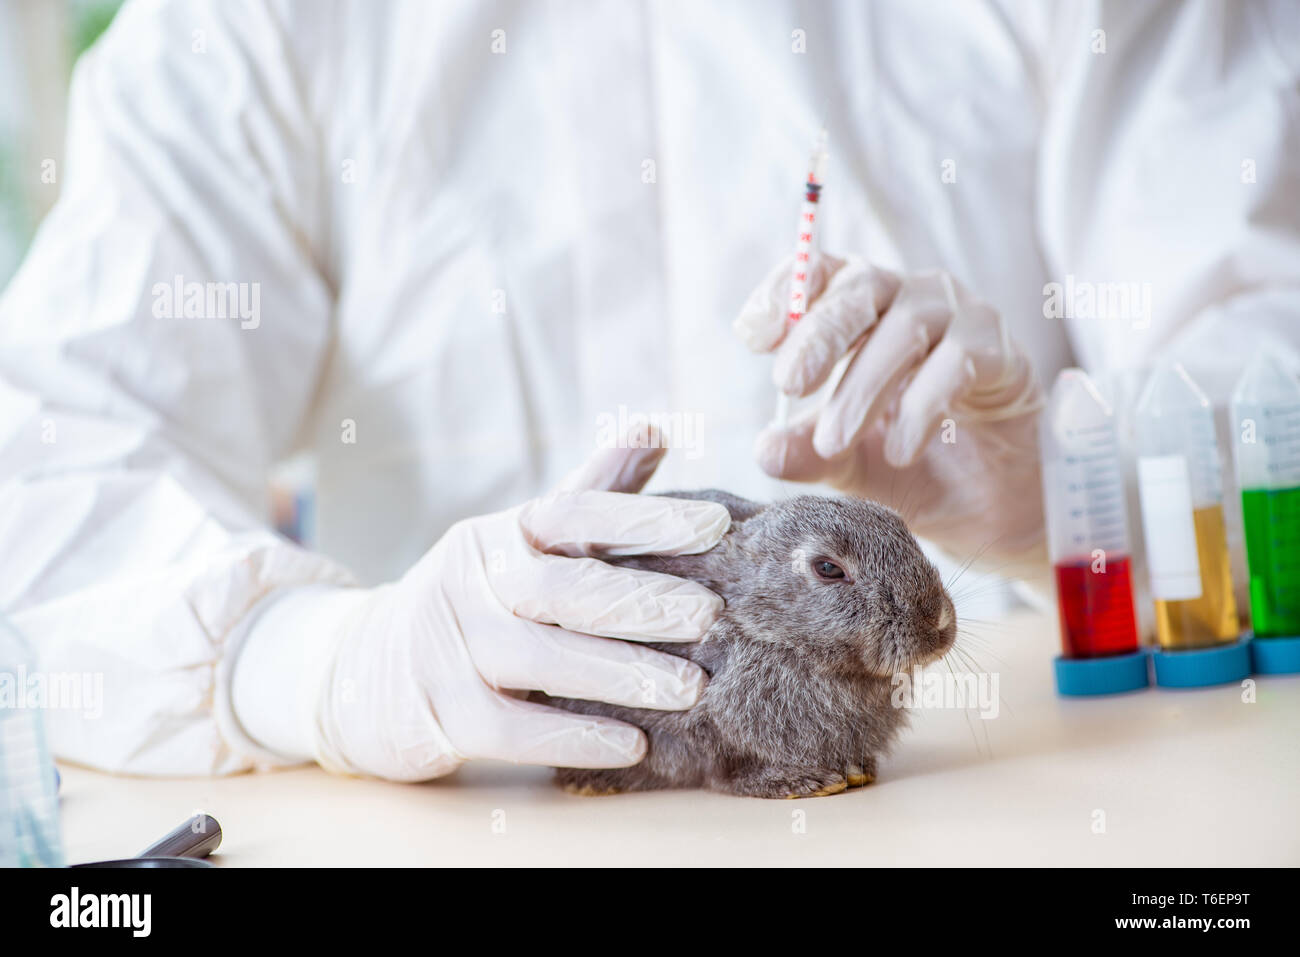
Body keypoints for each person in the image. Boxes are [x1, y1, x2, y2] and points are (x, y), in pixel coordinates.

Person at [0, 0, 1296, 781]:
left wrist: (1076, 505)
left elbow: (1267, 361)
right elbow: (41, 472)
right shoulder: (261, 28)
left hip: (1011, 800)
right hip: (466, 825)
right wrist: (321, 664)